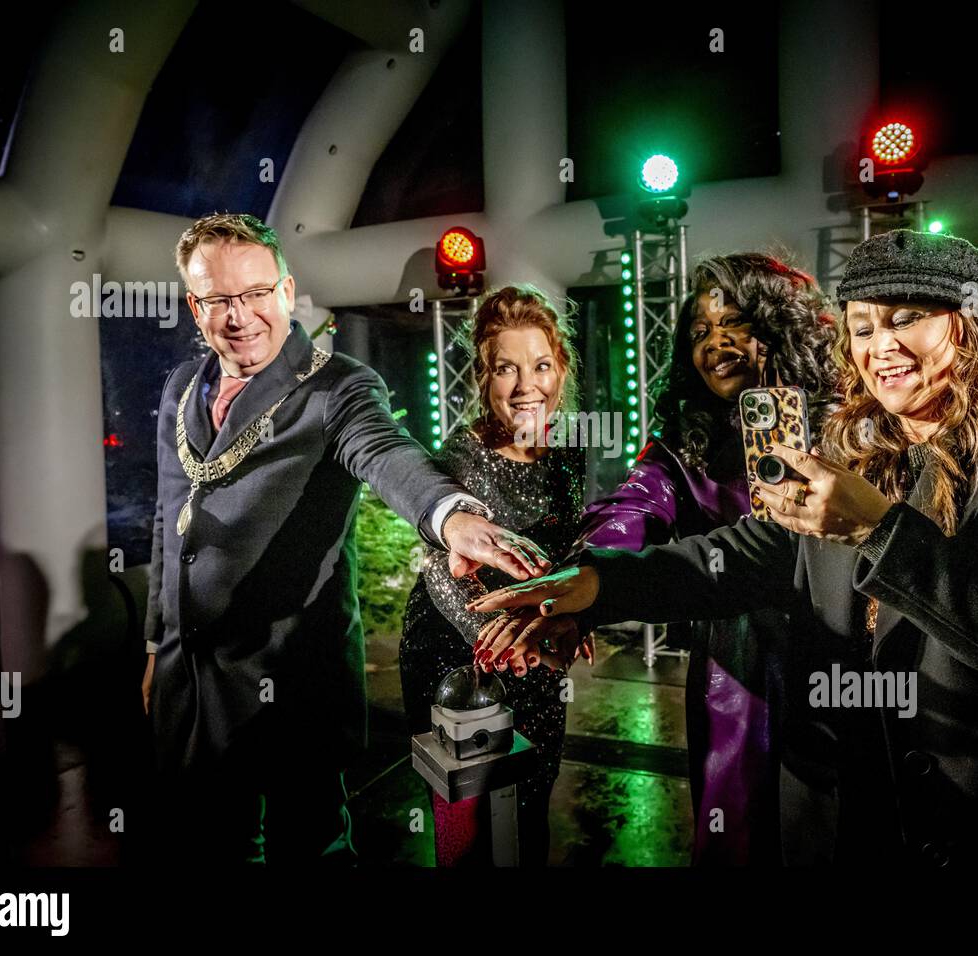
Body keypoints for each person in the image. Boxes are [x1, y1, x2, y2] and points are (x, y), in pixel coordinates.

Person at [470, 229, 978, 866]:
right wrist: (598, 586)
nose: (880, 346)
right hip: (872, 820)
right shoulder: (858, 452)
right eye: (861, 327)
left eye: (905, 319)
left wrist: (877, 527)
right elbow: (748, 554)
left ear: (969, 324)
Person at [142, 213, 551, 865]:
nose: (240, 316)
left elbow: (388, 453)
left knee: (312, 848)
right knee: (206, 846)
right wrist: (155, 643)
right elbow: (170, 522)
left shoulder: (337, 388)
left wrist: (451, 515)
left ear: (285, 289)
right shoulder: (181, 389)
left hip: (288, 681)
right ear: (196, 306)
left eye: (255, 293)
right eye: (220, 299)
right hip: (186, 682)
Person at [565, 253, 837, 864]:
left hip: (841, 656)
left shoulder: (844, 421)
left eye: (734, 324)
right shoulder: (683, 443)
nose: (715, 344)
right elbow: (632, 506)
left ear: (777, 326)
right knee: (735, 832)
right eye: (700, 332)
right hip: (737, 674)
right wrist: (593, 576)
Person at [399, 285, 586, 866]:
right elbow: (443, 569)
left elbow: (569, 549)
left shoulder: (570, 449)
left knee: (531, 803)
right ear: (485, 378)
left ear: (562, 371)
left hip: (538, 643)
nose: (527, 386)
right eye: (507, 368)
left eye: (541, 366)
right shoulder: (461, 456)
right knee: (473, 827)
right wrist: (528, 637)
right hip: (457, 652)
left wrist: (575, 607)